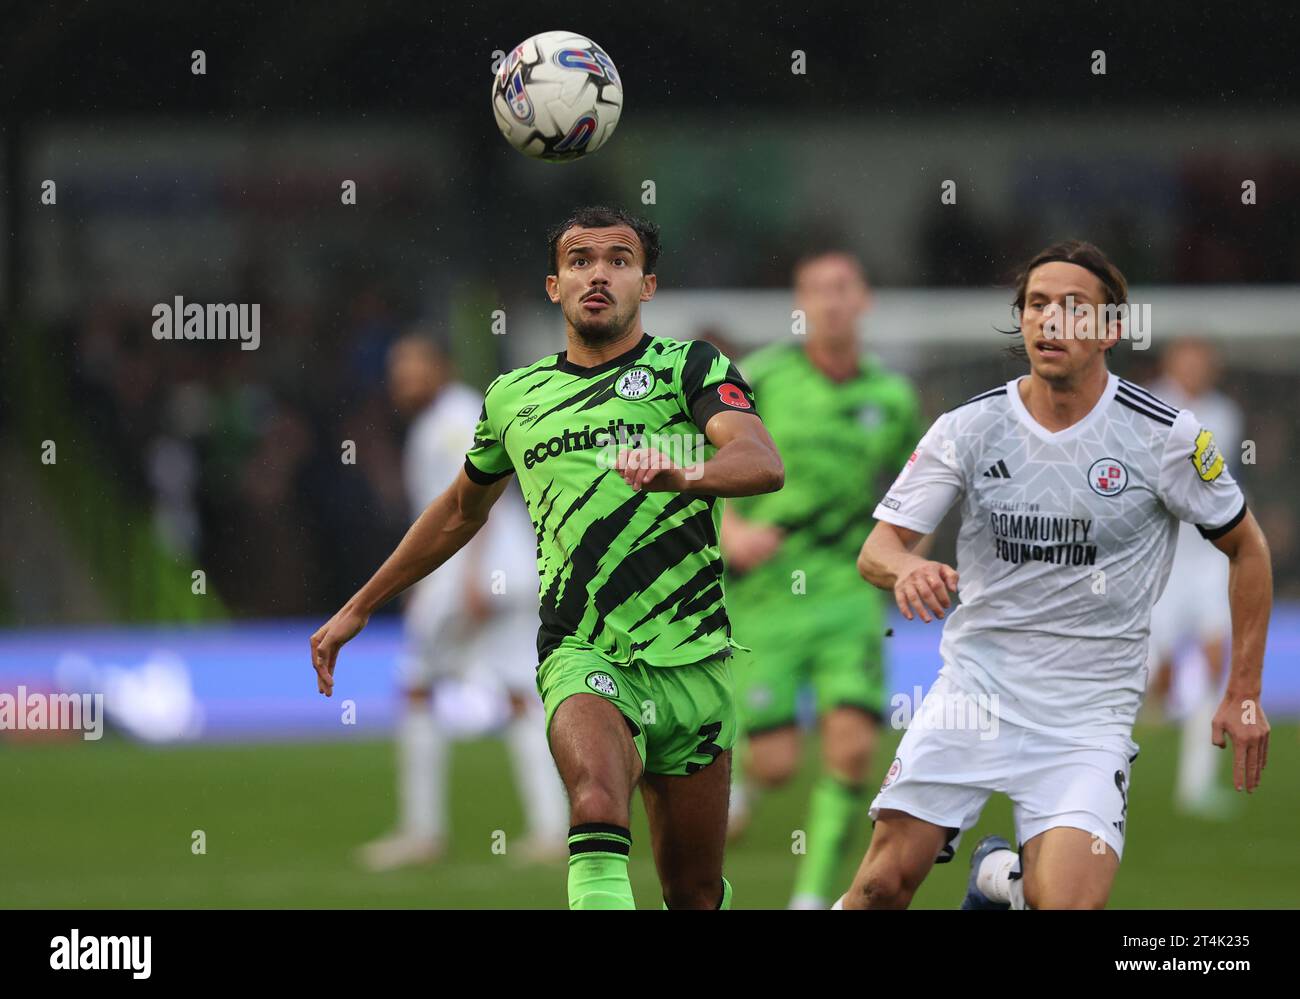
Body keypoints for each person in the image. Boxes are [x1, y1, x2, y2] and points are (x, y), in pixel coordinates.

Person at [311, 206, 785, 909]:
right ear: (553, 285)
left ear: (646, 285)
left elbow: (759, 458)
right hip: (581, 650)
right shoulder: (513, 397)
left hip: (694, 663)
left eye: (619, 260)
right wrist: (359, 605)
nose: (599, 273)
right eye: (580, 259)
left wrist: (687, 473)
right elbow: (457, 511)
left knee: (693, 892)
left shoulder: (690, 367)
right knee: (595, 798)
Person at [835, 241, 1270, 910]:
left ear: (1111, 329)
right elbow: (878, 547)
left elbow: (1249, 548)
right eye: (1037, 305)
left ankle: (1000, 883)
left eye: (1074, 308)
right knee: (879, 886)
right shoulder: (970, 426)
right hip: (973, 693)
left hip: (1086, 715)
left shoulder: (1166, 436)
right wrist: (906, 567)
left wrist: (1242, 689)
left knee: (1065, 903)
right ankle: (1000, 880)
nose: (1051, 321)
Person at [723, 248, 921, 908]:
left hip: (845, 591)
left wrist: (903, 558)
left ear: (864, 300)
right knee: (776, 763)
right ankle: (746, 784)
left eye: (843, 288)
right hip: (765, 595)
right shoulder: (760, 379)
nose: (832, 301)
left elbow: (920, 490)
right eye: (817, 290)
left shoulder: (890, 398)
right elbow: (691, 464)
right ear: (799, 305)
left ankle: (811, 900)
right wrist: (730, 533)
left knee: (853, 751)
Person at [356, 334, 567, 872]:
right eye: (396, 370)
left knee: (419, 688)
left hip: (479, 574)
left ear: (442, 367)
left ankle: (422, 831)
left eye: (412, 367)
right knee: (521, 693)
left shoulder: (452, 420)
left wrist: (470, 578)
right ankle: (551, 828)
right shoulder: (451, 413)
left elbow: (476, 501)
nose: (402, 379)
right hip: (501, 571)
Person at [1145, 338, 1244, 818]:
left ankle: (1196, 786)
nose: (1195, 368)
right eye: (1187, 359)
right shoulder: (1145, 406)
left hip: (1207, 561)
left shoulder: (1224, 415)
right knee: (1145, 674)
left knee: (1211, 660)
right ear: (1170, 363)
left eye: (1202, 360)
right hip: (1160, 560)